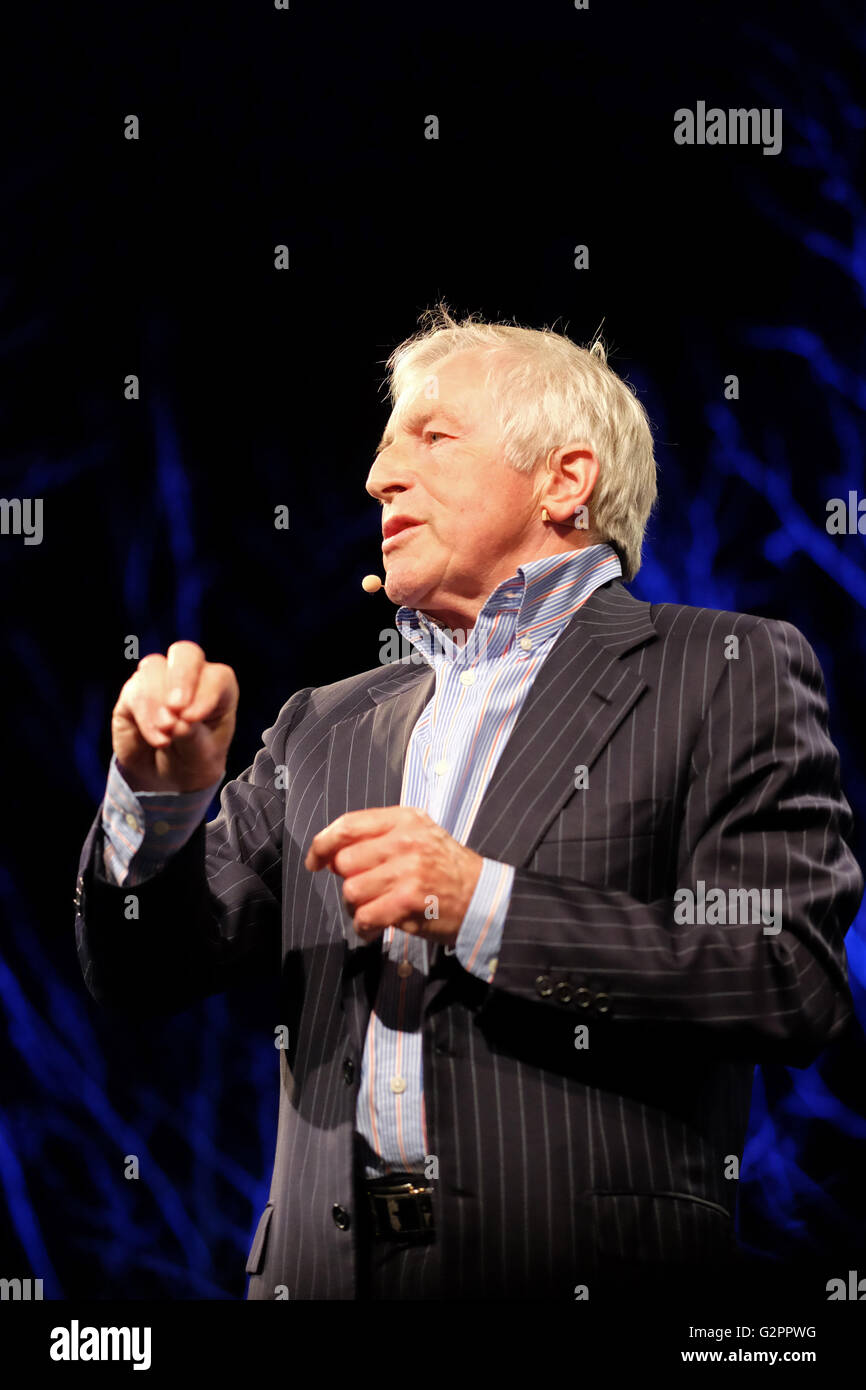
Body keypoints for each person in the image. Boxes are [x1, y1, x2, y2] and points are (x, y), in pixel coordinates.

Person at [74, 308, 862, 1301]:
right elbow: (142, 969)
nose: (377, 477)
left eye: (431, 437)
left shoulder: (723, 670)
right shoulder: (326, 722)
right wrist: (159, 793)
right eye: (381, 444)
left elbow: (787, 976)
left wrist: (479, 902)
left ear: (564, 481)